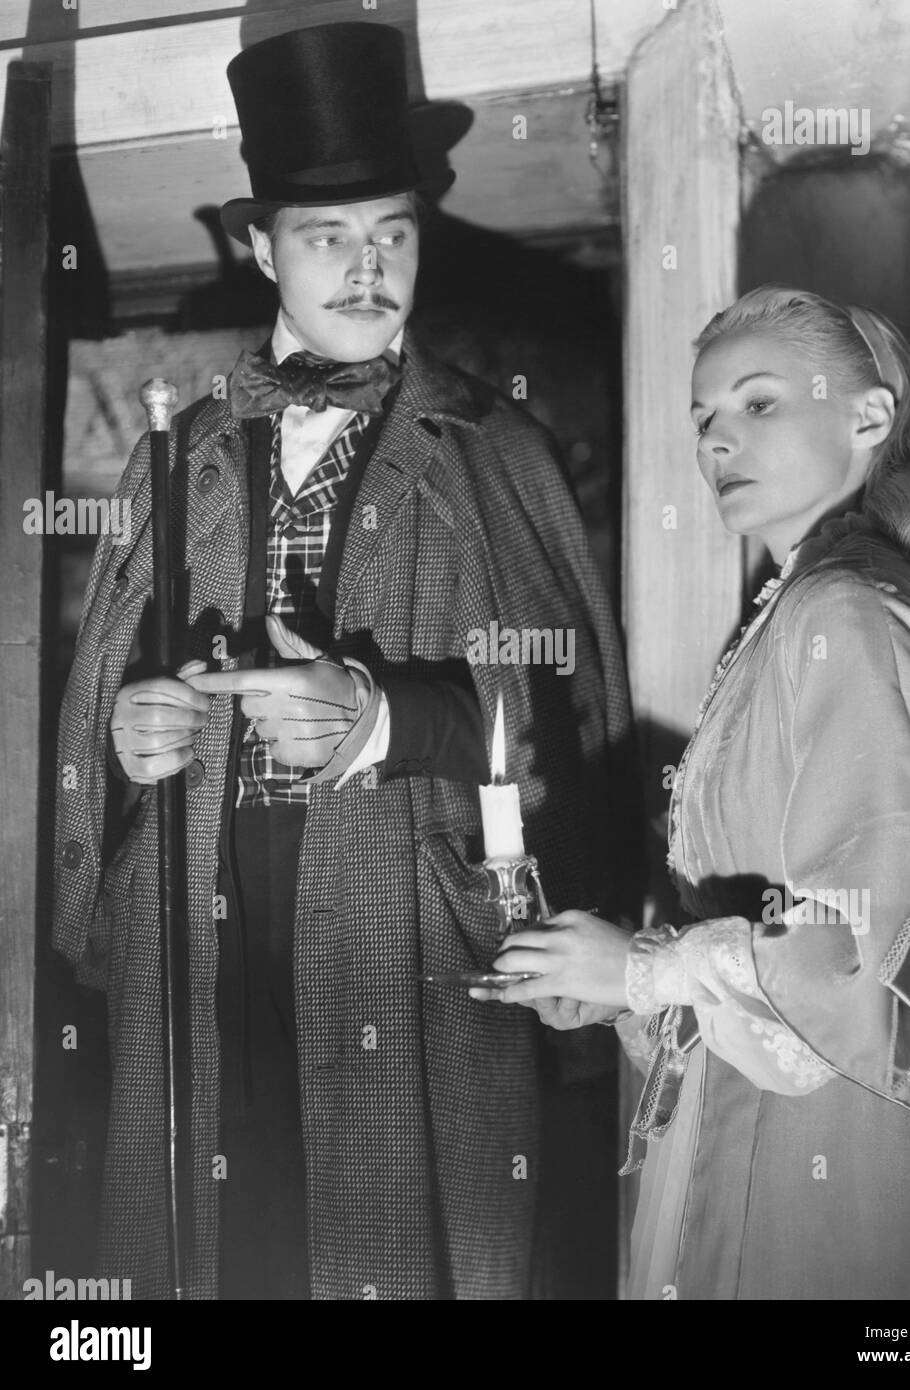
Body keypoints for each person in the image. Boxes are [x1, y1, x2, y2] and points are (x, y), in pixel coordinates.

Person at [52, 22, 639, 1301]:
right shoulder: (185, 448)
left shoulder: (496, 448)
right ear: (259, 247)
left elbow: (565, 715)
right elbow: (106, 692)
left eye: (392, 233)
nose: (367, 268)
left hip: (405, 936)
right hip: (204, 935)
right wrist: (129, 731)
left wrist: (388, 719)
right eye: (328, 237)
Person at [481, 285, 910, 1299]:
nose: (719, 437)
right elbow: (735, 950)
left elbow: (893, 942)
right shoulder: (789, 613)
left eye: (758, 403)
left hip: (836, 1158)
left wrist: (644, 971)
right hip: (755, 1128)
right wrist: (620, 985)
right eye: (703, 415)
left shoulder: (848, 614)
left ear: (869, 418)